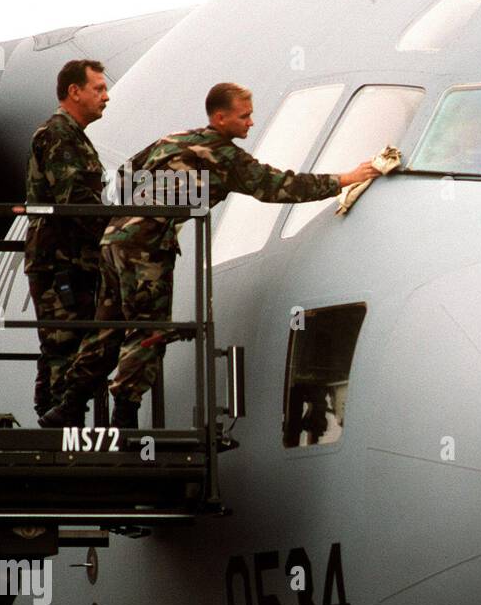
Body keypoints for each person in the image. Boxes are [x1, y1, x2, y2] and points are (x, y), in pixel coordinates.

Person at [40, 82, 384, 429]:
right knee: (148, 329)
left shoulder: (173, 140)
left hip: (113, 240)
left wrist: (156, 203)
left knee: (109, 326)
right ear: (221, 118)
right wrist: (345, 179)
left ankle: (69, 406)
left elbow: (125, 176)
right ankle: (125, 413)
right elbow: (279, 185)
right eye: (244, 116)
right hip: (147, 247)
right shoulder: (224, 156)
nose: (251, 122)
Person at [23, 59, 109, 419]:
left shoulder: (72, 135)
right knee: (64, 344)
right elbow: (73, 197)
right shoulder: (58, 133)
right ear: (74, 91)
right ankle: (60, 434)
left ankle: (55, 421)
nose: (106, 96)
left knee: (67, 344)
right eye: (98, 89)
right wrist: (117, 232)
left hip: (73, 261)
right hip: (60, 262)